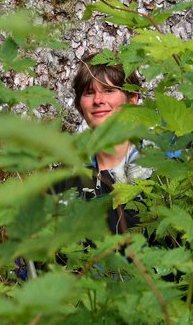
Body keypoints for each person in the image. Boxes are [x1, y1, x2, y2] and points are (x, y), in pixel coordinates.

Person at [65, 53, 151, 234]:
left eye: (108, 90)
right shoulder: (69, 181)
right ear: (80, 106)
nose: (98, 100)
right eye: (89, 92)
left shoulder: (161, 168)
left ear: (133, 99)